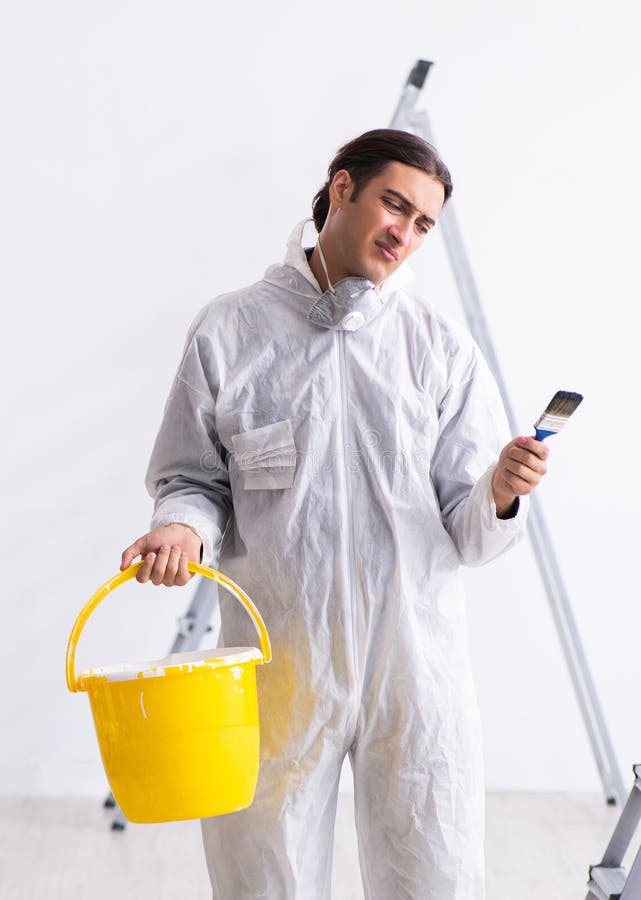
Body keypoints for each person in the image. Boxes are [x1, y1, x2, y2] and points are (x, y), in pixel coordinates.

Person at [121, 129, 548, 900]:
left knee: (435, 877)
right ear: (342, 188)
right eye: (395, 205)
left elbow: (468, 529)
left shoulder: (436, 347)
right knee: (263, 881)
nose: (405, 232)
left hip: (414, 666)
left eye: (423, 223)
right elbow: (190, 477)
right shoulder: (230, 331)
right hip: (278, 662)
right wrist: (181, 525)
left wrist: (499, 492)